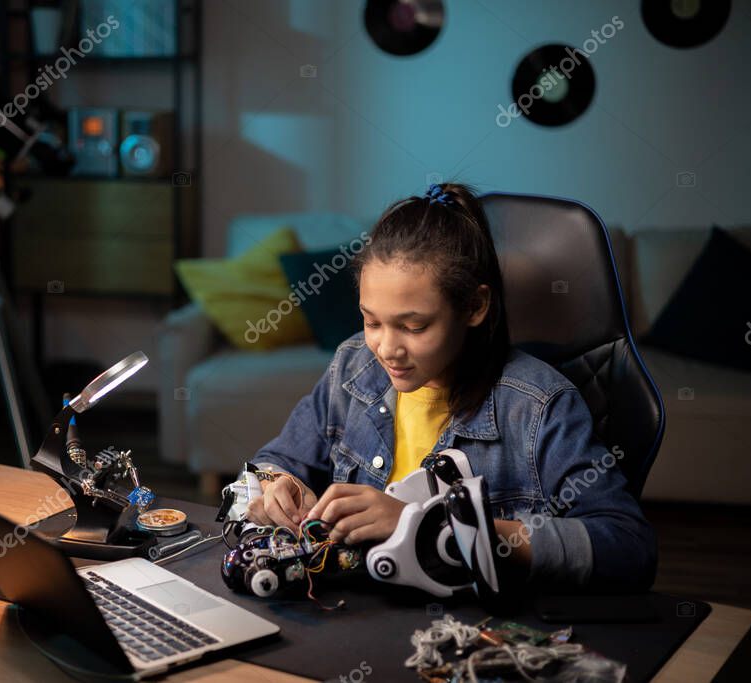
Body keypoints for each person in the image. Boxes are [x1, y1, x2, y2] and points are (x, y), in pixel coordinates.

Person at [246, 183, 656, 590]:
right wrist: (274, 486)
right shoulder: (352, 367)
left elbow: (627, 548)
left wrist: (431, 527)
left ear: (475, 306)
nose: (386, 348)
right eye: (371, 321)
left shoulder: (537, 406)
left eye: (414, 326)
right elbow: (277, 461)